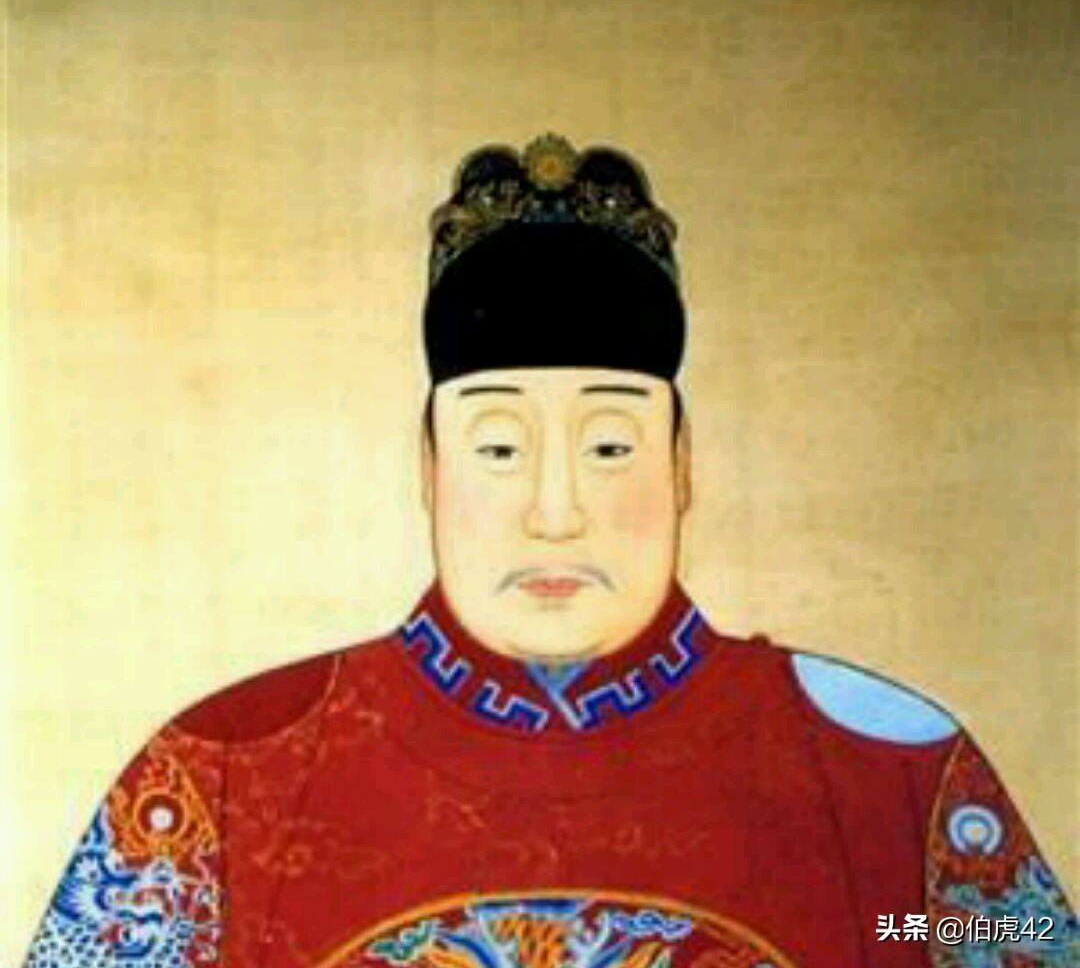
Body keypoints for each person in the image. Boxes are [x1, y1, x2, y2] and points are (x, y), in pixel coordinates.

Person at [23, 134, 1075, 968]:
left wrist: (887, 927)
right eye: (499, 448)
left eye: (610, 446)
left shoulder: (888, 768)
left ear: (683, 464)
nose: (556, 511)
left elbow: (975, 937)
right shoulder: (225, 772)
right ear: (430, 468)